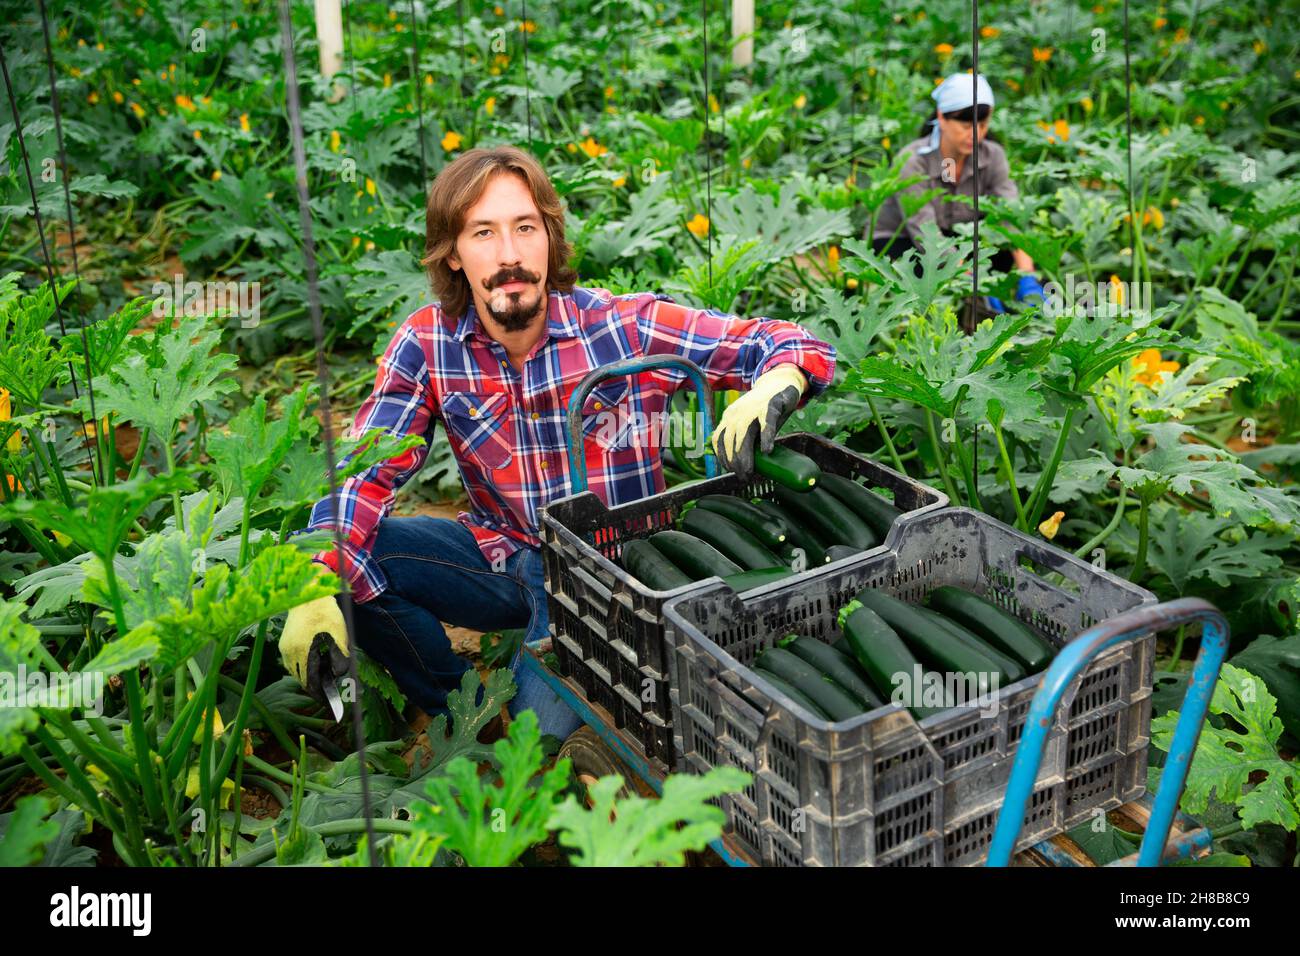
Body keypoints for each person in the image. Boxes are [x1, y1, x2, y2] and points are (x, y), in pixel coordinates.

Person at [278, 145, 837, 742]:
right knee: (350, 557)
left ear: (550, 237)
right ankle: (455, 710)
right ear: (454, 255)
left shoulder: (621, 327)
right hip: (505, 554)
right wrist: (315, 578)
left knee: (537, 739)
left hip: (611, 574)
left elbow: (781, 340)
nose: (510, 254)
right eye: (483, 233)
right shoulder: (427, 343)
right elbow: (366, 464)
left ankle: (524, 716)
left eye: (525, 227)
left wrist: (779, 379)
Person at [868, 72, 1045, 312]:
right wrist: (973, 279)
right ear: (942, 118)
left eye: (982, 125)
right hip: (903, 240)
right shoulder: (913, 161)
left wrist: (1028, 276)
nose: (975, 134)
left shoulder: (993, 156)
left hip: (956, 239)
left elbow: (1011, 217)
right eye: (965, 126)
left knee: (1005, 261)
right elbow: (925, 232)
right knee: (923, 273)